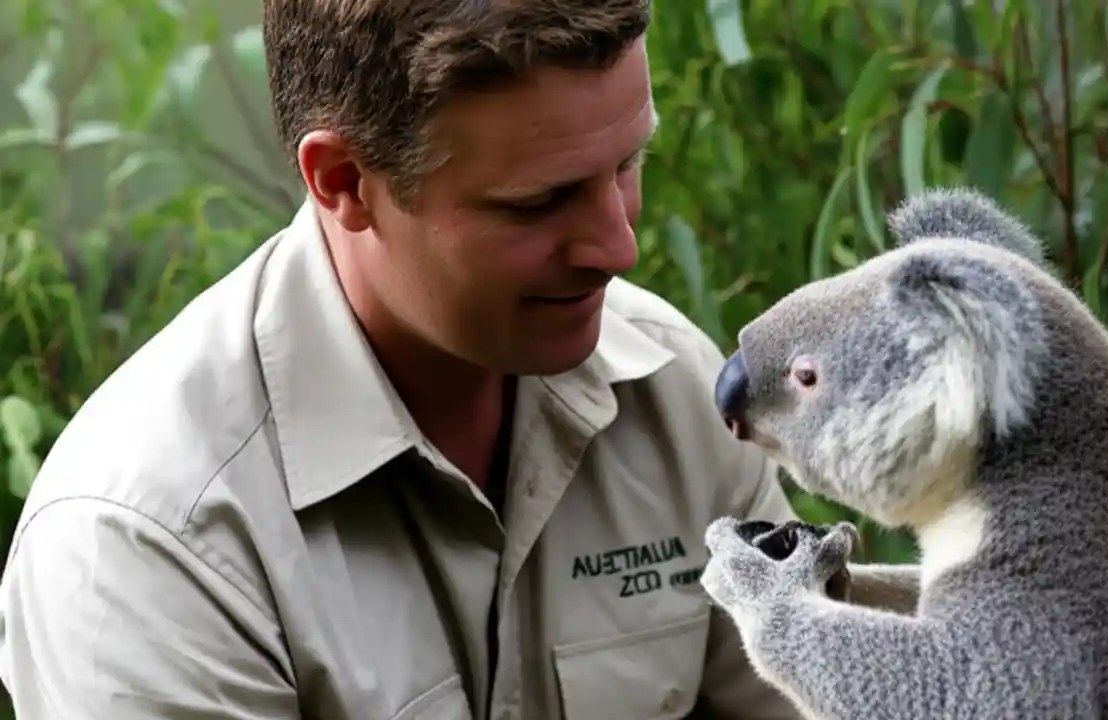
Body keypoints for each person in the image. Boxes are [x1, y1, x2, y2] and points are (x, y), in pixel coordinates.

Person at [0, 1, 809, 717]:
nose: (618, 245)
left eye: (628, 166)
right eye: (539, 203)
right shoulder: (149, 545)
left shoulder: (666, 387)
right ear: (344, 180)